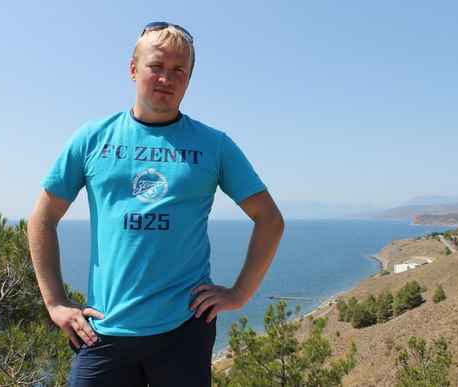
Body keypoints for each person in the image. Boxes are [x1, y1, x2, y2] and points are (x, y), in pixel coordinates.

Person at [27, 21, 284, 386]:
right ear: (133, 69)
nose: (167, 78)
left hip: (184, 329)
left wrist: (239, 293)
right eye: (157, 66)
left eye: (179, 70)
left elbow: (270, 219)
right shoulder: (92, 138)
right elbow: (42, 219)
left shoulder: (214, 144)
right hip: (103, 329)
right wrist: (55, 303)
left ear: (189, 79)